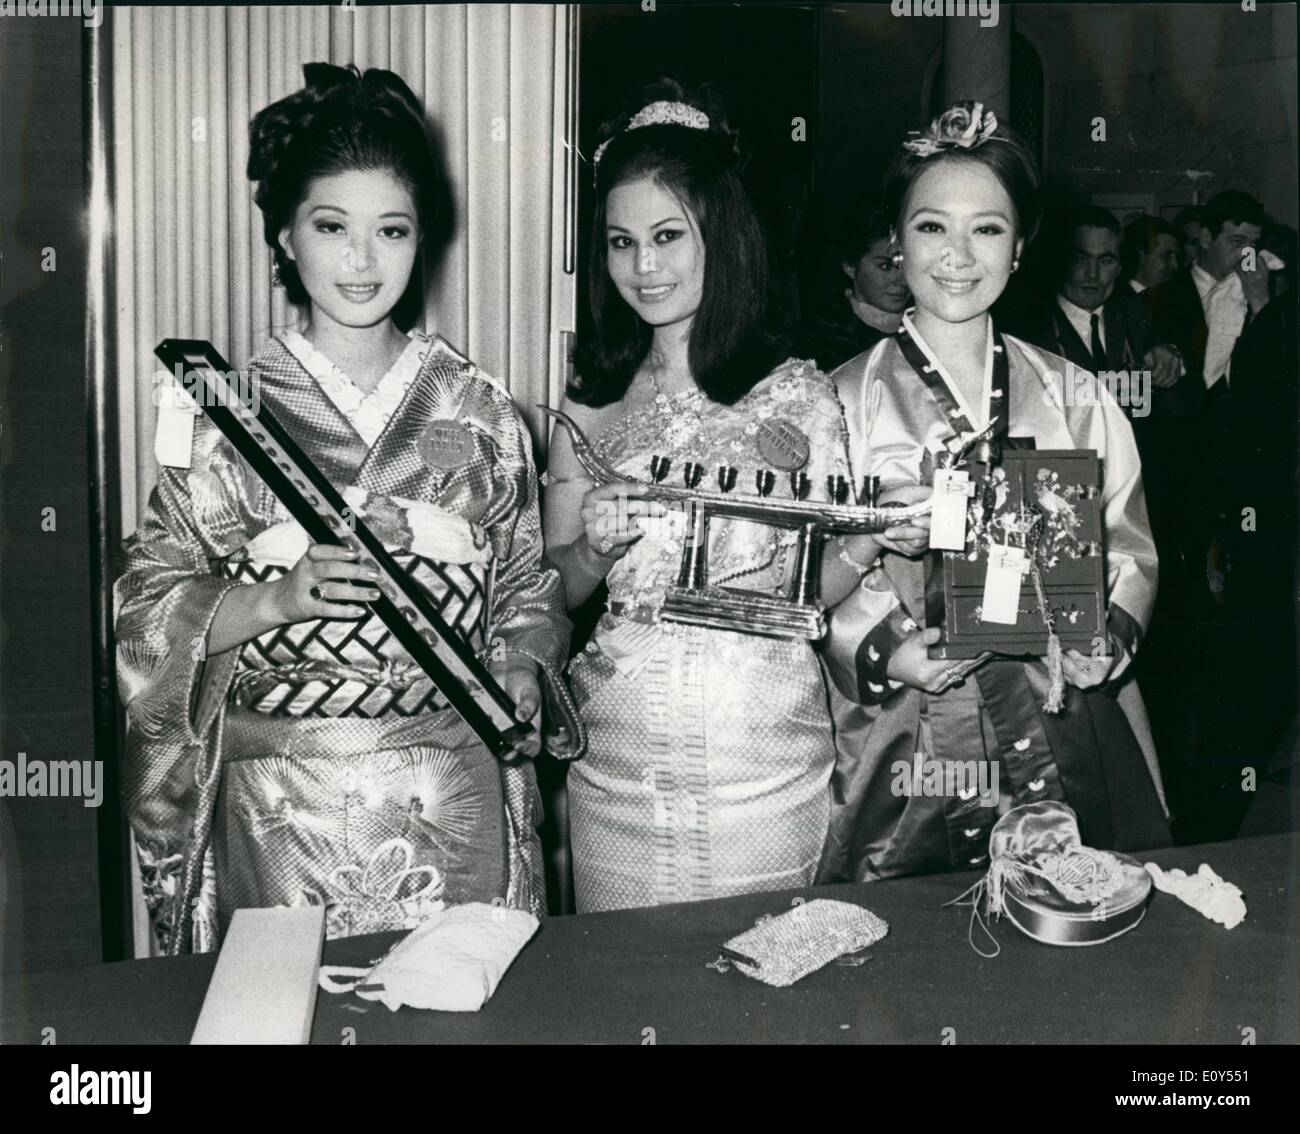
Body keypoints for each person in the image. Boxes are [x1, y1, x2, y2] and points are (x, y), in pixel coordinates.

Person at [116, 64, 578, 953]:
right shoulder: (223, 413)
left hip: (452, 787)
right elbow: (145, 607)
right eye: (331, 227)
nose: (362, 262)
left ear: (422, 239)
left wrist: (520, 672)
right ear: (286, 236)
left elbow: (524, 587)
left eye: (390, 231)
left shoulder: (478, 408)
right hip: (279, 805)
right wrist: (273, 601)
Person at [819, 102, 1170, 884]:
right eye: (931, 227)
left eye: (987, 228)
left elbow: (1129, 541)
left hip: (1058, 716)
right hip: (904, 736)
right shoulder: (840, 402)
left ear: (1020, 247)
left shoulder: (1076, 393)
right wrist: (883, 649)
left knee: (1068, 919)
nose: (957, 255)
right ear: (896, 240)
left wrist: (1109, 636)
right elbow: (810, 569)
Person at [543, 80, 870, 913]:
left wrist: (867, 546)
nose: (643, 267)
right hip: (617, 756)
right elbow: (553, 589)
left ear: (719, 235)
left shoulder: (796, 393)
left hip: (763, 757)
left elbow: (813, 594)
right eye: (621, 242)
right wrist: (592, 548)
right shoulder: (591, 396)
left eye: (666, 236)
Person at [801, 197, 912, 373]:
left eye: (907, 265)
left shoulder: (924, 329)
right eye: (885, 265)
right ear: (850, 267)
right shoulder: (823, 341)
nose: (903, 280)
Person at [1121, 214, 1180, 294]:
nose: (1175, 266)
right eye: (1167, 256)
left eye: (1176, 257)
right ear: (1142, 255)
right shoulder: (1120, 300)